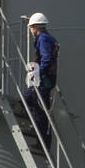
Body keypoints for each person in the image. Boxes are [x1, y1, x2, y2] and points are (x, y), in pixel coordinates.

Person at [23, 12, 59, 153]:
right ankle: (41, 140)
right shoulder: (47, 38)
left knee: (32, 104)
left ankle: (42, 144)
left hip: (44, 80)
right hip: (47, 79)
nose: (30, 31)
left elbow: (46, 58)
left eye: (31, 27)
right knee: (37, 107)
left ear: (36, 27)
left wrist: (38, 71)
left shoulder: (43, 39)